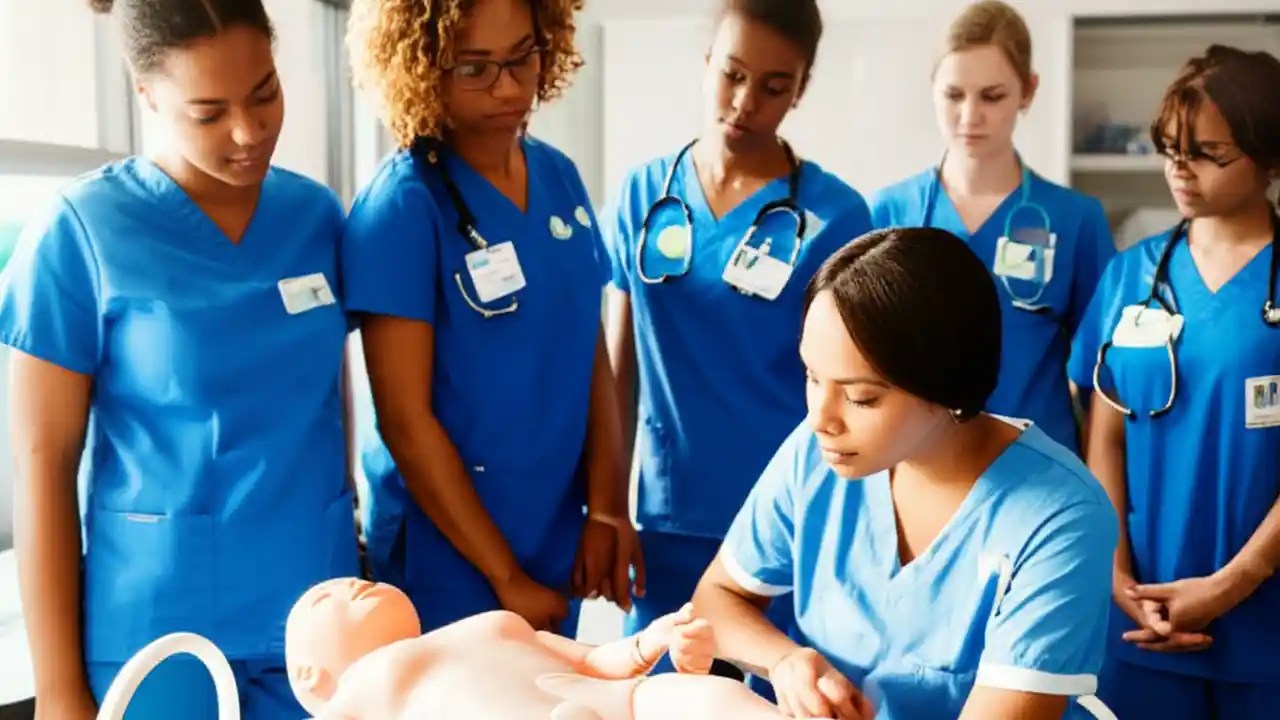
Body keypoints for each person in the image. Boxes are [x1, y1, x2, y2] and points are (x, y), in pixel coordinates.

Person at [0, 1, 361, 718]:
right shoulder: (80, 231)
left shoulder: (315, 217)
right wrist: (62, 691)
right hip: (156, 628)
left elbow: (330, 399)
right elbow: (43, 465)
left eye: (264, 93)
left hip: (318, 616)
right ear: (147, 95)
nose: (248, 132)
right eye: (207, 112)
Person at [691, 227, 1120, 720]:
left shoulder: (1058, 518)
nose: (821, 419)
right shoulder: (815, 456)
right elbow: (718, 597)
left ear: (947, 385)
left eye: (861, 397)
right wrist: (783, 659)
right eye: (812, 377)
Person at [342, 0, 637, 639]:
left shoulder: (558, 177)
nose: (509, 87)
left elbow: (588, 349)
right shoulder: (402, 208)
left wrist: (608, 510)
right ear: (420, 68)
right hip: (447, 554)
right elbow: (404, 421)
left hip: (554, 531)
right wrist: (504, 576)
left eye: (522, 57)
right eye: (474, 68)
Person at [602, 0, 871, 678]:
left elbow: (856, 387)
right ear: (706, 65)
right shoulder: (643, 194)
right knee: (661, 699)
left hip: (789, 522)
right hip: (667, 518)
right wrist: (607, 511)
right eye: (732, 75)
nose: (746, 102)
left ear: (802, 88)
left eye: (775, 86)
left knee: (784, 698)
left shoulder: (835, 216)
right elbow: (615, 372)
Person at [1068, 45, 1280, 720]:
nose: (1179, 170)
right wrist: (1115, 572)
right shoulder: (1131, 276)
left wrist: (1228, 585)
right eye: (1169, 148)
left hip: (1264, 620)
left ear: (1270, 159)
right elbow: (1104, 438)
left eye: (1208, 153)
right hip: (1140, 614)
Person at [869, 0, 1115, 455]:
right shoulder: (888, 213)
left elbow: (1103, 378)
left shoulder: (1074, 220)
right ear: (932, 89)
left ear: (1029, 91)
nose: (969, 116)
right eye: (954, 94)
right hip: (920, 463)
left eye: (992, 96)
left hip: (1039, 466)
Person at [281, 577, 816, 720]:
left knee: (710, 700)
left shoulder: (478, 630)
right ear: (310, 676)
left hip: (617, 703)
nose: (348, 584)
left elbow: (590, 660)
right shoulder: (359, 690)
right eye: (322, 600)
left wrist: (650, 642)